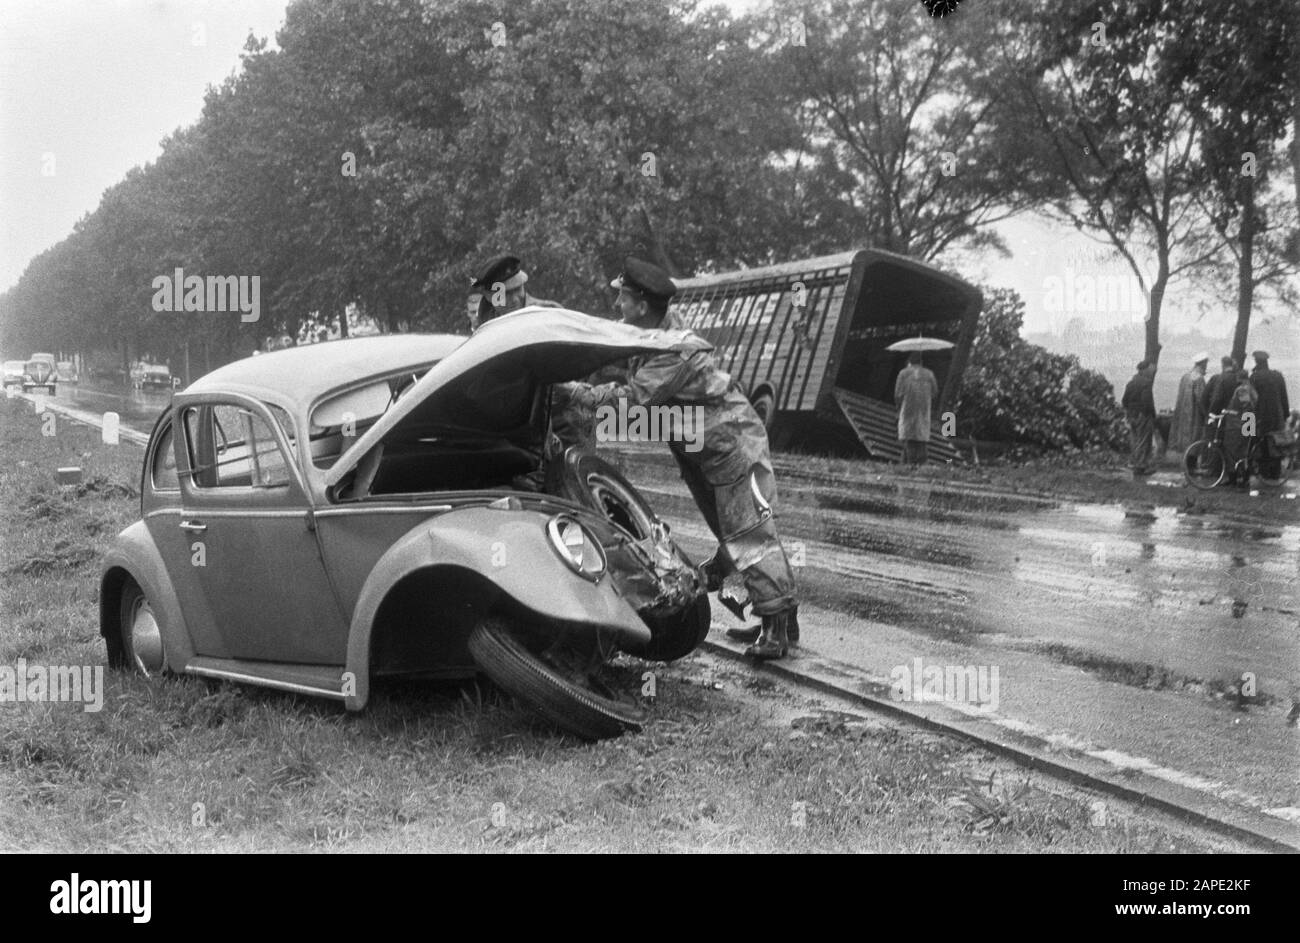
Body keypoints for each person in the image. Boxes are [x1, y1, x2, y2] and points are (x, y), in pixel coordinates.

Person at [563, 257, 800, 659]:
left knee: (749, 535)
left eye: (621, 297)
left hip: (730, 442)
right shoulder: (649, 328)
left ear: (640, 304)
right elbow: (605, 342)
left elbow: (630, 402)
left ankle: (777, 629)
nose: (617, 304)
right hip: (704, 444)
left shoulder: (676, 351)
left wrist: (571, 391)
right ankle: (778, 619)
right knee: (735, 532)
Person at [468, 254, 560, 328]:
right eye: (505, 294)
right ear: (488, 296)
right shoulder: (482, 326)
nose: (514, 299)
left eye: (517, 289)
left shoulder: (551, 314)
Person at [1249, 350, 1291, 480]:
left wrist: (1248, 421)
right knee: (1276, 444)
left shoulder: (1254, 377)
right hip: (1277, 417)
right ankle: (1275, 472)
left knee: (1262, 444)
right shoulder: (1277, 376)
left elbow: (1251, 400)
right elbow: (1284, 397)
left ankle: (1264, 473)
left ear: (1256, 361)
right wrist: (1285, 414)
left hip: (1260, 416)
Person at [894, 351, 939, 464]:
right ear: (921, 362)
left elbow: (897, 394)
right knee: (921, 440)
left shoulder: (903, 373)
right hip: (924, 410)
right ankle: (918, 464)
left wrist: (898, 408)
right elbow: (935, 392)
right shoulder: (929, 374)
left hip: (907, 409)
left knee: (908, 438)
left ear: (909, 362)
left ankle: (910, 464)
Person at [1121, 360, 1157, 477]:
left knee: (1135, 439)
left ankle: (1136, 462)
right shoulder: (1146, 383)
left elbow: (1124, 401)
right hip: (1143, 415)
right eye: (1149, 369)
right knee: (1143, 440)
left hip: (1132, 414)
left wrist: (1129, 412)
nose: (1151, 371)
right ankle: (1141, 466)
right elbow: (1147, 402)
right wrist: (1153, 414)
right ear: (1144, 369)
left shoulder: (1131, 383)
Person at [1222, 368, 1257, 486]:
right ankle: (1244, 477)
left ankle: (1233, 477)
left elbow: (1246, 405)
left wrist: (1229, 412)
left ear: (1239, 377)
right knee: (1244, 451)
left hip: (1242, 422)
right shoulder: (1251, 387)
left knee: (1231, 449)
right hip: (1250, 421)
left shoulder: (1242, 389)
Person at [1168, 352, 1208, 453]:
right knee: (1194, 440)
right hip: (1195, 415)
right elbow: (1201, 399)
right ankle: (1191, 464)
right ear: (1203, 363)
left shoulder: (1185, 377)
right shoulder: (1199, 378)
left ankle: (1184, 464)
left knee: (1184, 440)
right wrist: (1206, 413)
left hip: (1182, 414)